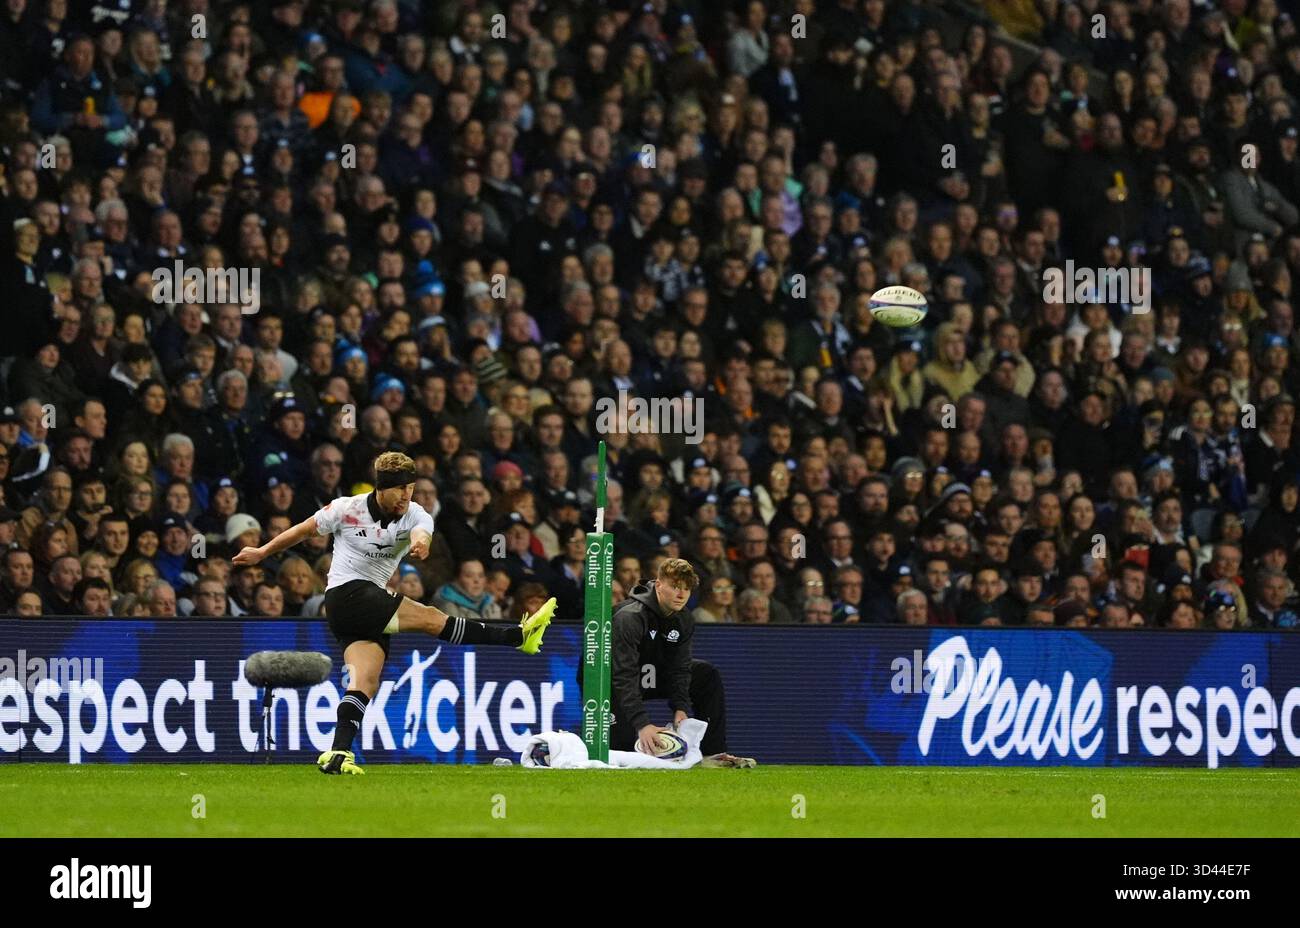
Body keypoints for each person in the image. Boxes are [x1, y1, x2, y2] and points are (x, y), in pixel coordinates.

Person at [232, 451, 555, 775]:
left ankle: (338, 753)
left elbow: (421, 532)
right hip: (346, 596)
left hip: (364, 610)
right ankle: (518, 636)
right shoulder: (347, 509)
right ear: (381, 488)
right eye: (399, 489)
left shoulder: (416, 514)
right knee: (431, 619)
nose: (406, 496)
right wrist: (262, 551)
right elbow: (302, 530)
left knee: (363, 683)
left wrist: (422, 544)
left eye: (410, 488)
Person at [606, 557, 754, 767]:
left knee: (705, 674)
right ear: (658, 585)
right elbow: (622, 674)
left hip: (651, 674)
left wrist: (681, 707)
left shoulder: (683, 619)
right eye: (675, 586)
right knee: (623, 755)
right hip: (609, 682)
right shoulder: (630, 618)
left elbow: (680, 668)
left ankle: (713, 754)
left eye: (686, 588)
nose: (681, 594)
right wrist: (642, 724)